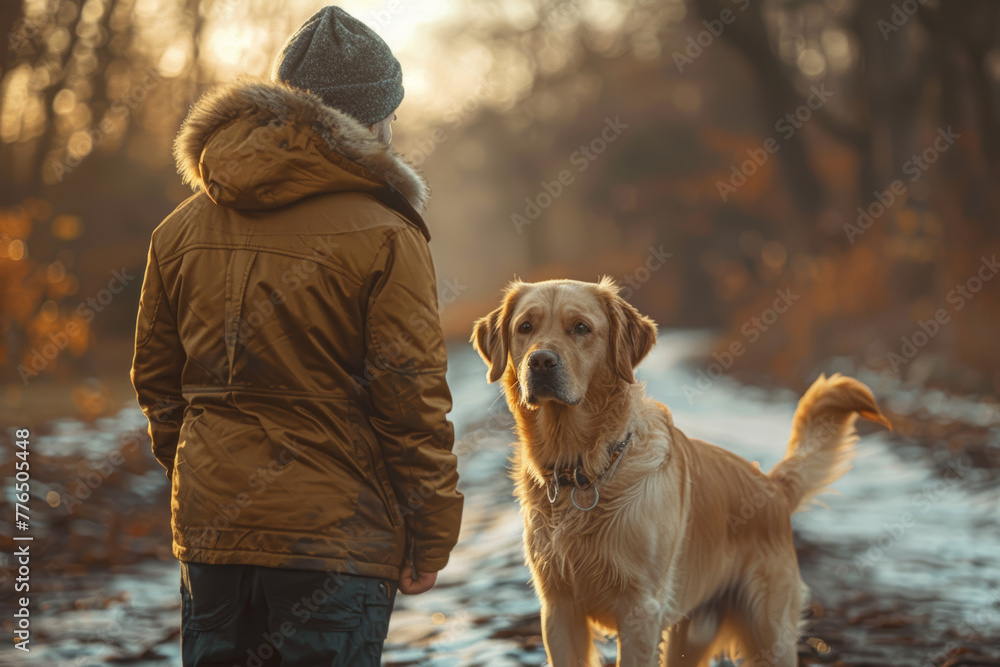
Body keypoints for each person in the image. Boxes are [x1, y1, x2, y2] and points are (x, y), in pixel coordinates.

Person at [130, 6, 463, 665]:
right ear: (372, 120)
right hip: (335, 539)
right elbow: (410, 399)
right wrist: (431, 534)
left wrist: (203, 475)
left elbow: (157, 385)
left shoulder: (178, 230)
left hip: (215, 535)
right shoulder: (388, 233)